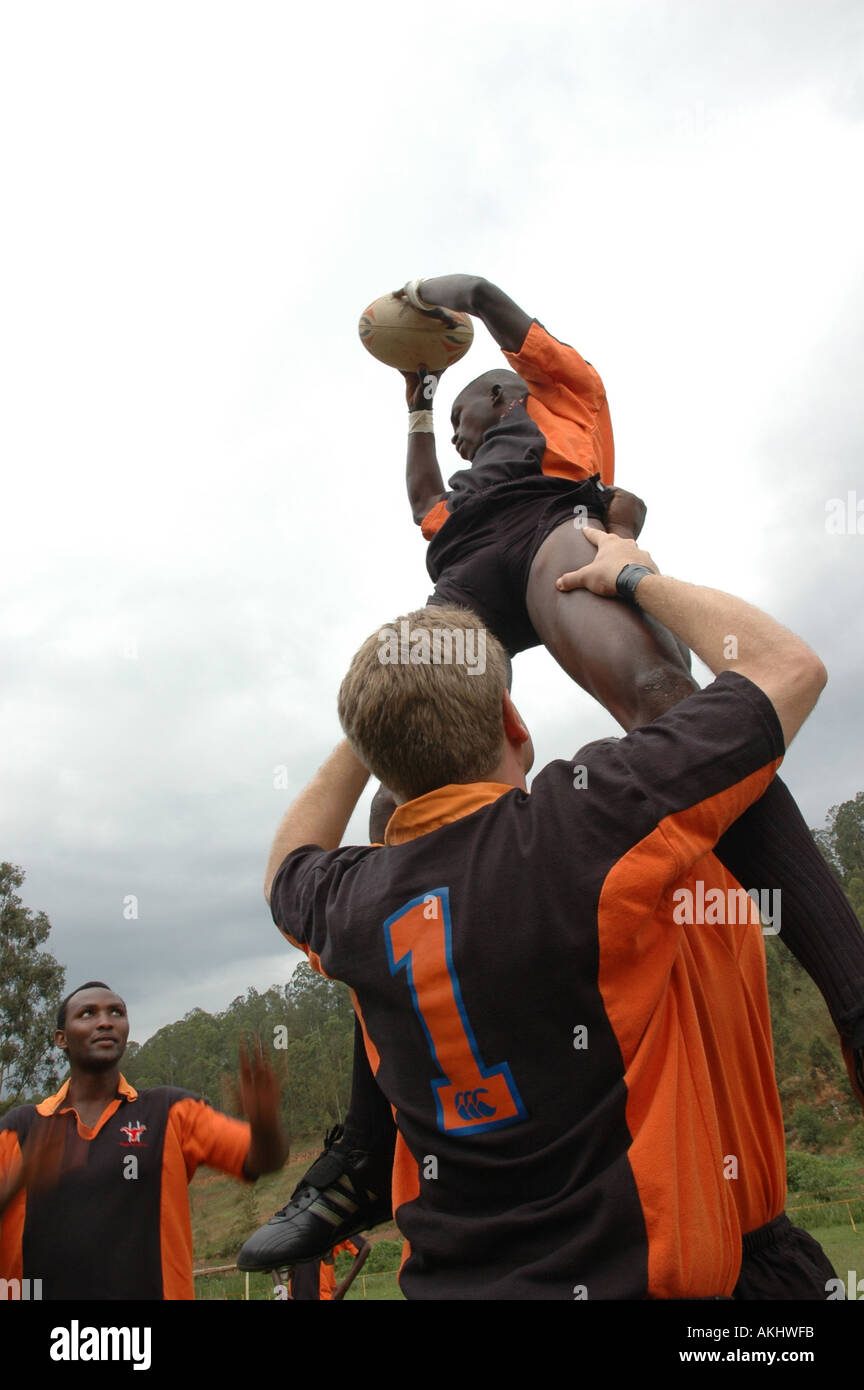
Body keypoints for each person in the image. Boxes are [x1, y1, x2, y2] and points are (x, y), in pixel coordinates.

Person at [242, 275, 864, 1274]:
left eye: (462, 407)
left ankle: (851, 989)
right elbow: (420, 499)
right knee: (405, 787)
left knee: (666, 696)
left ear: (505, 397)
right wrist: (409, 398)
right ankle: (367, 1149)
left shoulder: (564, 420)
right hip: (466, 576)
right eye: (442, 419)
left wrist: (473, 293)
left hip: (550, 538)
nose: (452, 428)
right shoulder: (451, 496)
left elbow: (532, 342)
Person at [246, 530, 839, 1298]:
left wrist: (380, 715)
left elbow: (285, 862)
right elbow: (790, 668)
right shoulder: (584, 826)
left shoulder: (350, 902)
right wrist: (634, 578)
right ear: (515, 727)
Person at [0, 981, 288, 1300]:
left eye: (116, 1012)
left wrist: (264, 1124)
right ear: (61, 1039)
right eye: (87, 1013)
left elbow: (263, 1160)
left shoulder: (169, 1112)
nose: (105, 1021)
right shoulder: (20, 1129)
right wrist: (16, 1185)